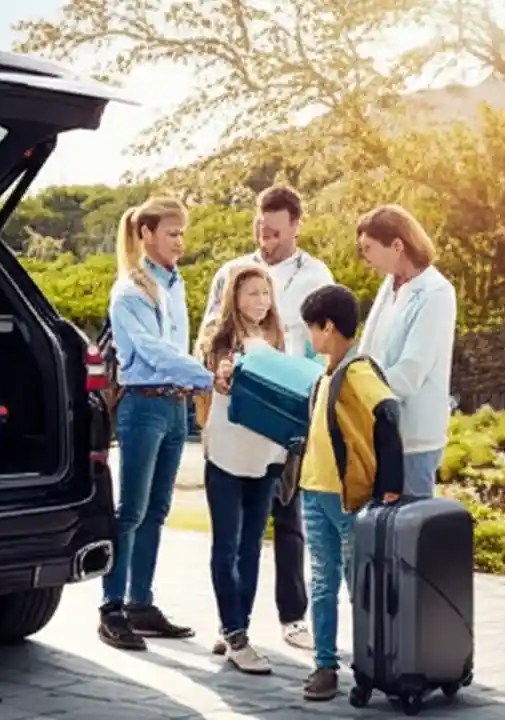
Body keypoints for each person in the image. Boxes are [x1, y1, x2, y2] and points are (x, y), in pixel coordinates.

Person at [202, 185, 333, 651]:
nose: (266, 239)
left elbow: (326, 341)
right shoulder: (233, 274)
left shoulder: (316, 274)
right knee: (238, 533)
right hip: (239, 415)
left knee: (288, 517)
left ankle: (292, 616)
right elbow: (209, 334)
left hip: (290, 409)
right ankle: (232, 623)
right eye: (260, 228)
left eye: (276, 231)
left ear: (297, 225)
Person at [99, 196, 214, 651]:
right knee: (131, 512)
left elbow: (178, 348)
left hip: (173, 406)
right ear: (146, 234)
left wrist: (195, 384)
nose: (180, 242)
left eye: (182, 233)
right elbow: (151, 351)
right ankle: (111, 608)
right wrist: (207, 377)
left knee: (157, 510)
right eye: (172, 233)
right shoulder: (129, 290)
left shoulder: (174, 284)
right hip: (143, 406)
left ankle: (140, 604)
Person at [296, 284, 404, 701]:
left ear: (329, 327)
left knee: (357, 583)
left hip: (345, 499)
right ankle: (325, 665)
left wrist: (390, 486)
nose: (310, 336)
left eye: (312, 328)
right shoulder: (324, 373)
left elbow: (388, 413)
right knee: (322, 584)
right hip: (313, 494)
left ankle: (376, 664)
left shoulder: (357, 370)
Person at [193, 264, 288, 674]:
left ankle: (235, 628)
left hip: (265, 454)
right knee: (226, 545)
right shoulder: (221, 338)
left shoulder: (278, 338)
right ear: (234, 296)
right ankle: (235, 633)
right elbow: (217, 382)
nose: (261, 301)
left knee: (251, 546)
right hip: (227, 454)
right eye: (252, 293)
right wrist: (222, 375)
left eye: (265, 293)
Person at [355, 204, 458, 498]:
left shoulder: (437, 293)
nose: (366, 259)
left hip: (414, 437)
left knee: (411, 533)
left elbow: (411, 371)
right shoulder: (390, 285)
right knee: (379, 532)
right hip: (380, 429)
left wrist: (359, 387)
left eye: (369, 249)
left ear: (397, 245)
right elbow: (368, 347)